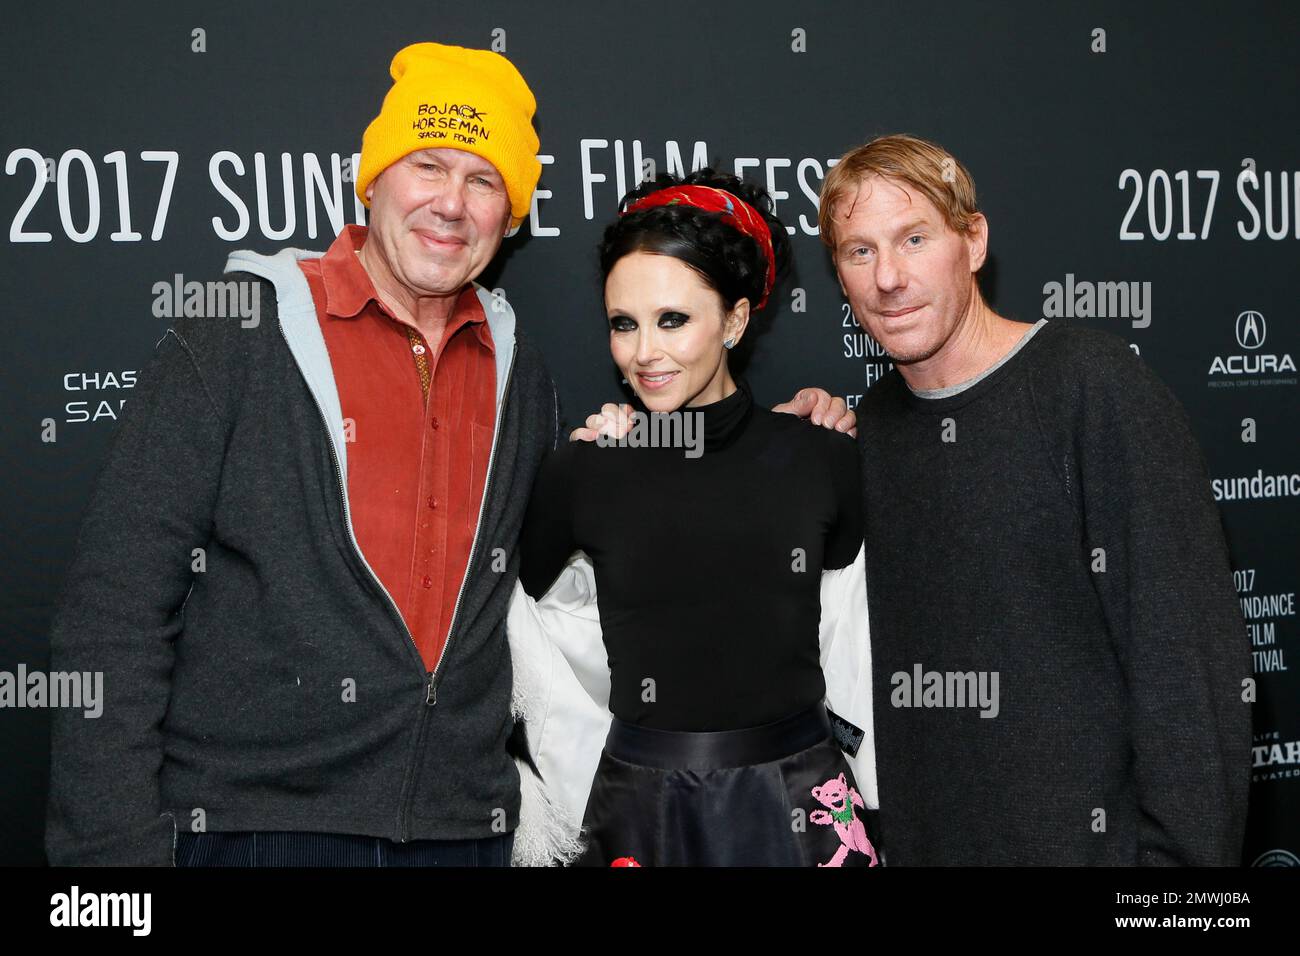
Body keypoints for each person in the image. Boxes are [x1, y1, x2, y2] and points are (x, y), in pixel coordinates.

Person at [44, 41, 854, 867]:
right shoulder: (240, 333)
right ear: (373, 179)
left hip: (465, 833)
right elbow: (115, 610)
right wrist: (110, 856)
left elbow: (567, 608)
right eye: (428, 165)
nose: (451, 204)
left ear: (511, 217)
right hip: (254, 831)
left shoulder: (518, 372)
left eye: (484, 180)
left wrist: (782, 446)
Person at [818, 133, 1251, 865]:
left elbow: (1192, 680)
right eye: (859, 252)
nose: (888, 276)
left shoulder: (1095, 390)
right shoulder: (875, 428)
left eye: (914, 238)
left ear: (974, 240)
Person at [510, 170, 881, 867]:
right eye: (625, 324)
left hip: (801, 806)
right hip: (641, 811)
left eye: (672, 319)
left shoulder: (822, 458)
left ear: (736, 320)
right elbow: (518, 641)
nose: (644, 352)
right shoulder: (585, 471)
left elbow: (855, 646)